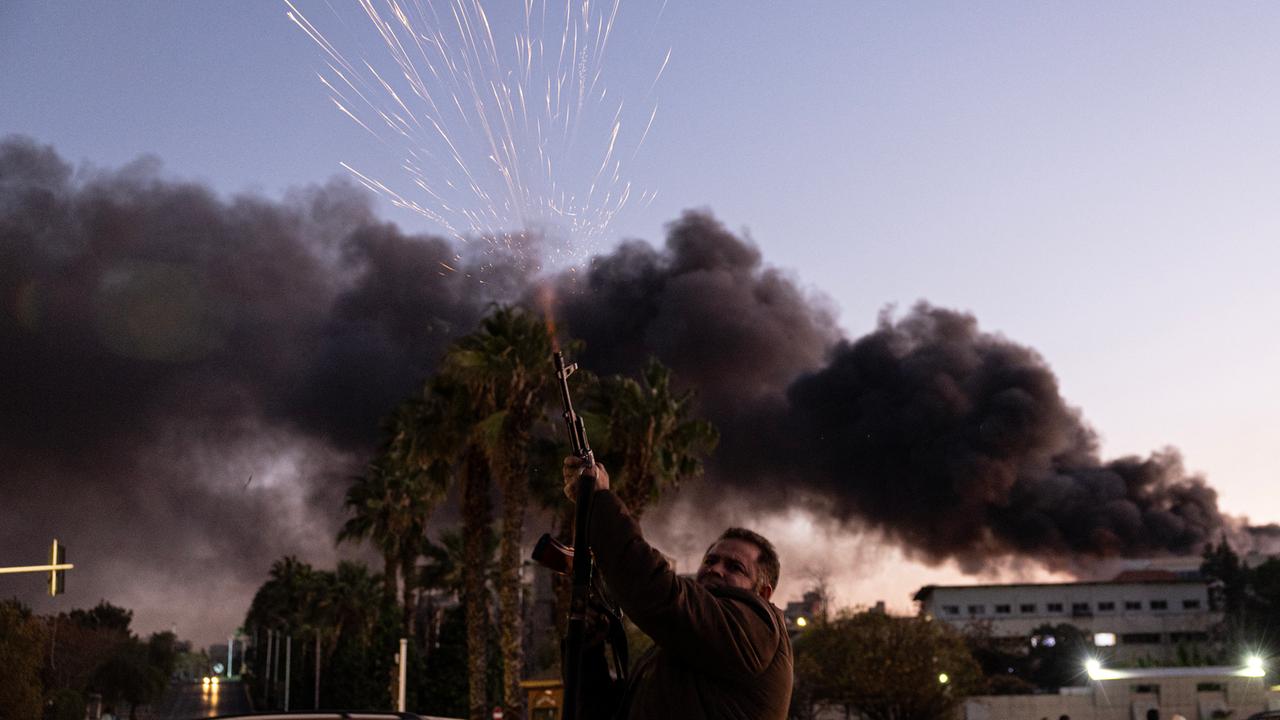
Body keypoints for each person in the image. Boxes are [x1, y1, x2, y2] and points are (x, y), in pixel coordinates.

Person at [563, 456, 793, 719]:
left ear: (763, 594)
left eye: (735, 567)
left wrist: (600, 501)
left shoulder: (759, 627)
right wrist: (588, 653)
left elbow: (658, 592)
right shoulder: (680, 647)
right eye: (711, 560)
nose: (715, 569)